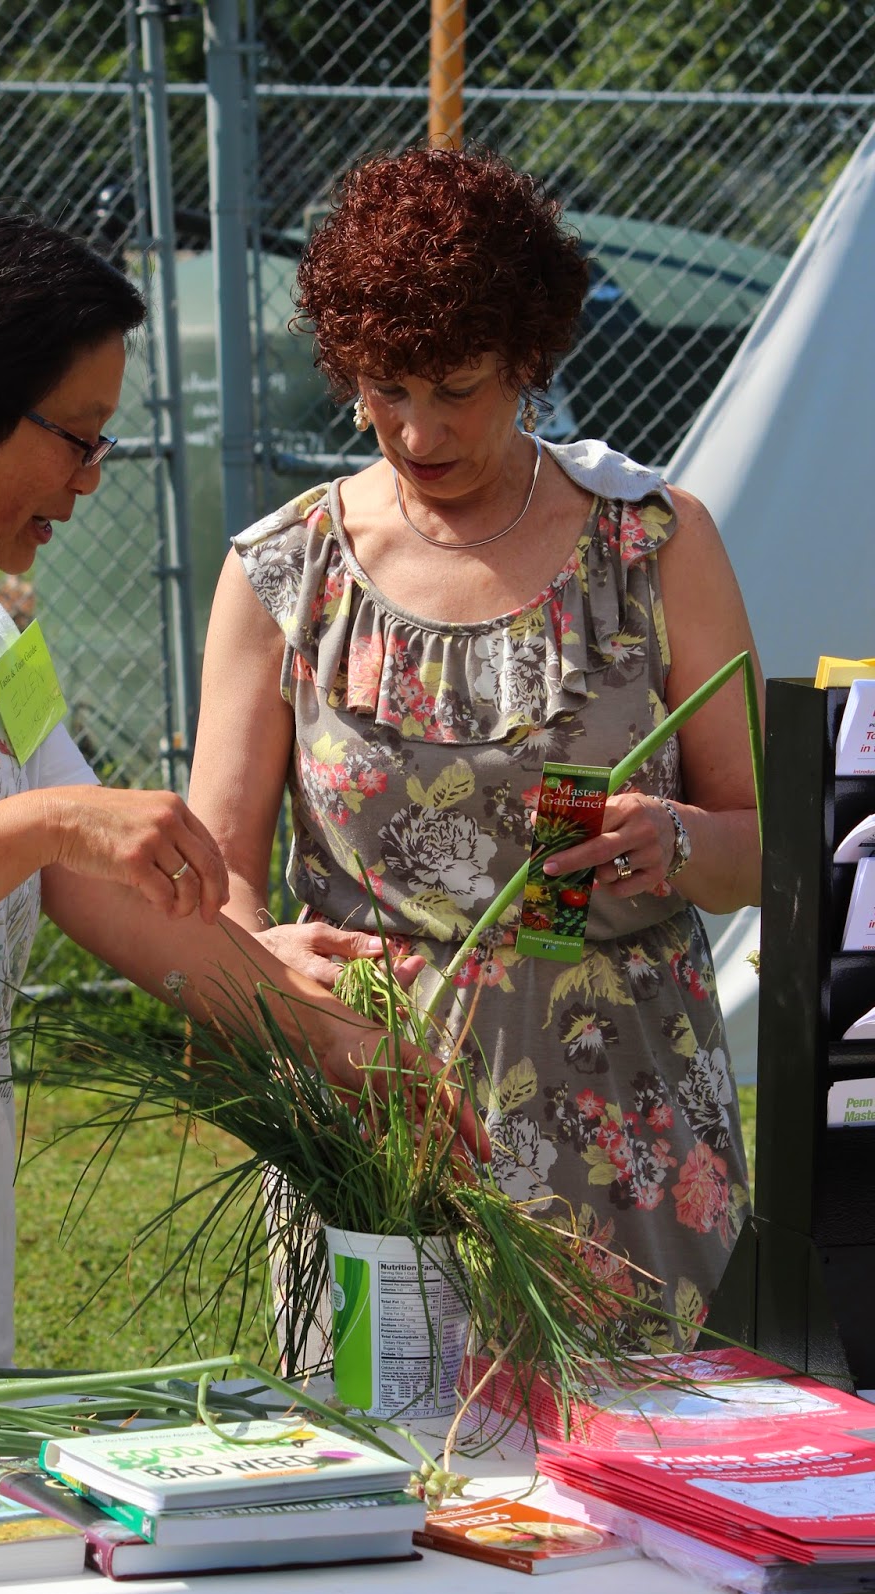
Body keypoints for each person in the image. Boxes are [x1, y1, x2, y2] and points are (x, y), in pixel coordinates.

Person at [0, 210, 468, 1375]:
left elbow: (118, 894)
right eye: (75, 438)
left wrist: (334, 1039)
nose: (84, 484)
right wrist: (40, 822)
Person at [189, 146, 763, 1347]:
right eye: (382, 387)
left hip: (628, 1122)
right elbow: (220, 877)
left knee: (643, 1497)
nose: (415, 428)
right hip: (381, 1117)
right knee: (399, 1481)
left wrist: (673, 842)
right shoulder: (283, 573)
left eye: (453, 387)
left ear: (527, 361)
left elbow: (763, 846)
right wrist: (267, 956)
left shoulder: (652, 543)